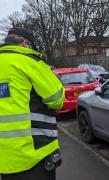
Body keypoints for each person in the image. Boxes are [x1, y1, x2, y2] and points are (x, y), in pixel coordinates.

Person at [0, 27, 65, 180]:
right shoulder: (29, 60)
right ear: (25, 44)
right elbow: (56, 99)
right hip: (35, 154)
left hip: (4, 159)